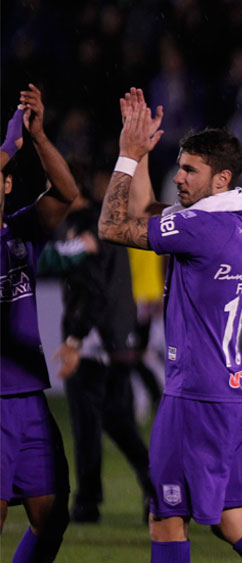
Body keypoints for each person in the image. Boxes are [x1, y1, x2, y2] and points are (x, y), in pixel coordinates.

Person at [98, 89, 242, 563]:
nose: (178, 177)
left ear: (221, 178)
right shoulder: (235, 223)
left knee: (166, 518)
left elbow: (113, 226)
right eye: (179, 167)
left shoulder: (200, 229)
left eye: (189, 170)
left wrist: (126, 155)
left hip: (196, 395)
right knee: (233, 520)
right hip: (231, 391)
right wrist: (143, 153)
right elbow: (145, 211)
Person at [44, 176, 154, 524]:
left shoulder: (83, 227)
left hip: (94, 343)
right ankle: (157, 490)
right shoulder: (107, 223)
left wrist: (75, 339)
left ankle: (88, 502)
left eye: (52, 188)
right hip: (117, 339)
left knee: (88, 424)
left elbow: (92, 289)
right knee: (118, 423)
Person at [1, 85, 79, 562]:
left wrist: (39, 138)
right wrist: (9, 145)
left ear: (8, 185)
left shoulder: (21, 231)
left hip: (28, 397)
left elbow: (67, 194)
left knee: (53, 517)